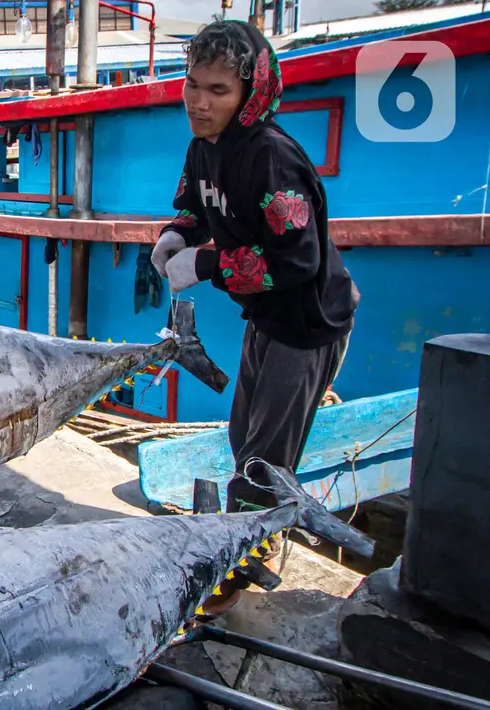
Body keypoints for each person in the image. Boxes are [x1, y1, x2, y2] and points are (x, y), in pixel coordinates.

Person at [151, 21, 358, 606]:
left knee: (266, 461)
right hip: (264, 317)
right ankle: (241, 545)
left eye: (218, 90)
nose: (199, 102)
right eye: (193, 85)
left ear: (251, 93)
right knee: (244, 440)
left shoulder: (270, 157)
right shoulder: (203, 147)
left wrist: (207, 263)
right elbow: (195, 208)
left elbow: (297, 260)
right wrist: (176, 234)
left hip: (307, 324)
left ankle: (239, 569)